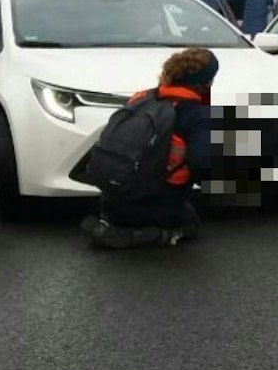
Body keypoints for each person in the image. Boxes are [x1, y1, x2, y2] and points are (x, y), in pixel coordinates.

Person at [81, 47, 218, 249]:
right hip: (160, 205)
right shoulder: (196, 114)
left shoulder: (141, 98)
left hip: (111, 199)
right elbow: (202, 165)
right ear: (205, 82)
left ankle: (112, 226)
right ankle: (143, 235)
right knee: (191, 223)